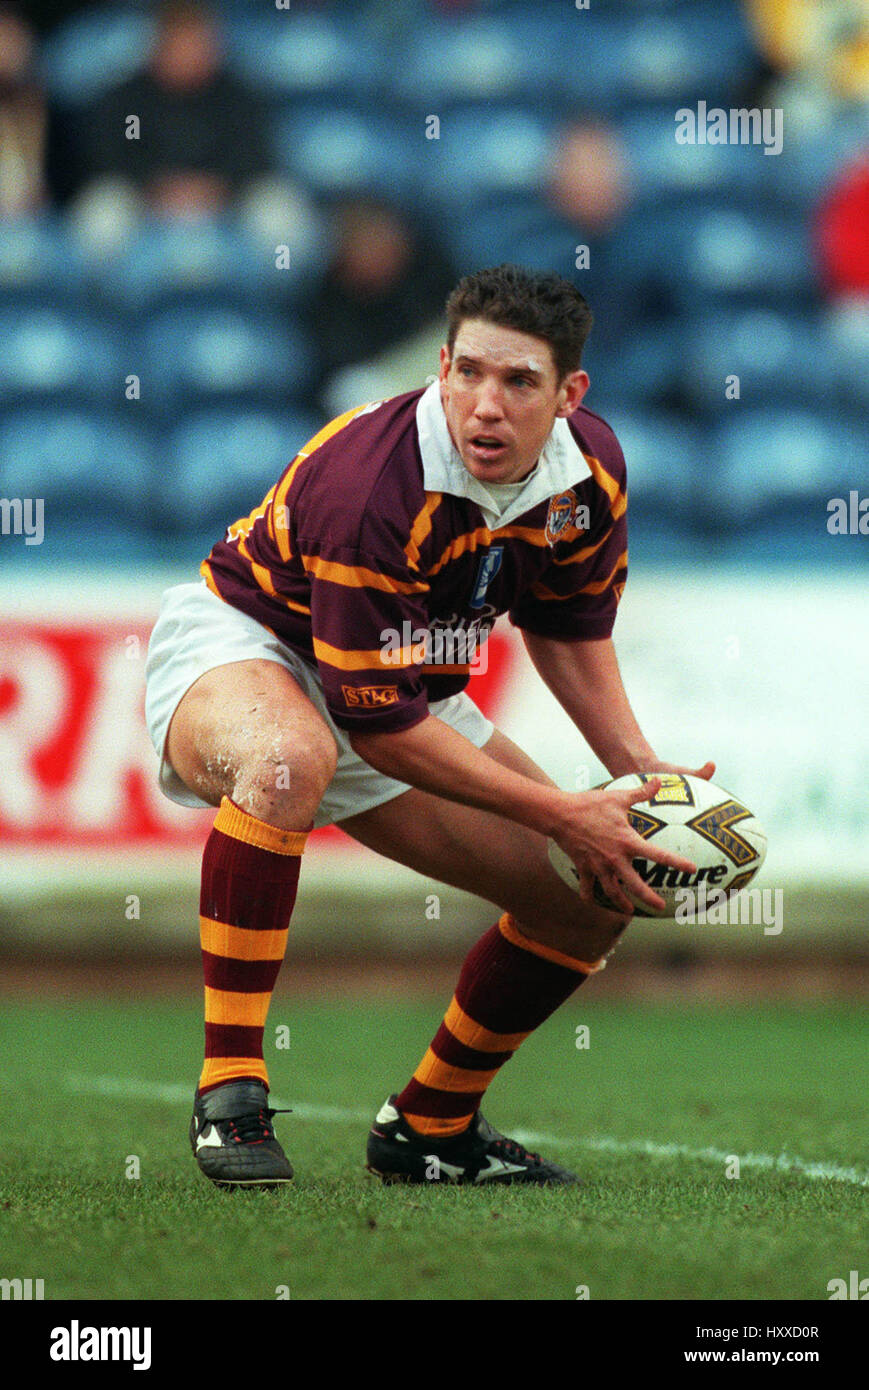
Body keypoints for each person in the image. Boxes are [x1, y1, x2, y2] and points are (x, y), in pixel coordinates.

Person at [145, 263, 714, 1188]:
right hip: (245, 647)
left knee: (586, 895)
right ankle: (230, 1091)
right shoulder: (373, 482)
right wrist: (561, 810)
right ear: (440, 365)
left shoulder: (592, 472)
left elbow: (566, 629)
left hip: (400, 686)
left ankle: (431, 1128)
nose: (485, 406)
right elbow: (378, 732)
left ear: (570, 394)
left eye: (518, 382)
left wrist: (638, 773)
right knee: (291, 759)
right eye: (468, 374)